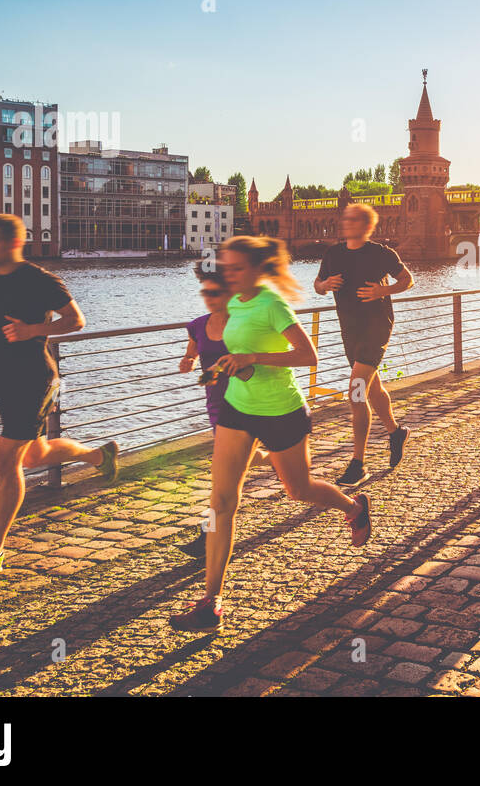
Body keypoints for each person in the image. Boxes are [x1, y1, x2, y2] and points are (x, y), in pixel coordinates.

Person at [170, 236, 371, 631]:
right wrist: (216, 369)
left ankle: (353, 508)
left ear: (257, 270)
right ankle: (211, 602)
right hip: (236, 409)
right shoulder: (231, 304)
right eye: (225, 267)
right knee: (221, 502)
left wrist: (254, 358)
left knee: (298, 490)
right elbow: (225, 351)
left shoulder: (271, 304)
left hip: (282, 412)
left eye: (236, 268)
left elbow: (307, 356)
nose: (229, 274)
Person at [0, 214, 118, 577]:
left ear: (13, 243)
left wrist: (33, 330)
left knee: (4, 462)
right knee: (34, 455)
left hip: (34, 379)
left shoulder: (39, 280)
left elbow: (76, 320)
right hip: (3, 377)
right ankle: (98, 456)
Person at [176, 261, 271, 560]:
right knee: (233, 473)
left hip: (248, 405)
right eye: (206, 291)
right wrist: (188, 361)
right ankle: (278, 461)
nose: (209, 297)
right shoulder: (198, 324)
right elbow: (194, 349)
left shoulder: (246, 324)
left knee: (222, 481)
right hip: (217, 408)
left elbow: (266, 360)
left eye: (216, 291)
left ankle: (208, 536)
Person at [314, 203, 414, 486]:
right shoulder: (333, 253)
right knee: (372, 387)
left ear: (367, 226)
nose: (348, 223)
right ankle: (396, 432)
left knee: (356, 392)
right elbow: (317, 283)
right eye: (346, 219)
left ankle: (358, 463)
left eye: (355, 219)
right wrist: (325, 285)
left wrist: (384, 290)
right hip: (350, 329)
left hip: (377, 326)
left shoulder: (382, 254)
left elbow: (408, 280)